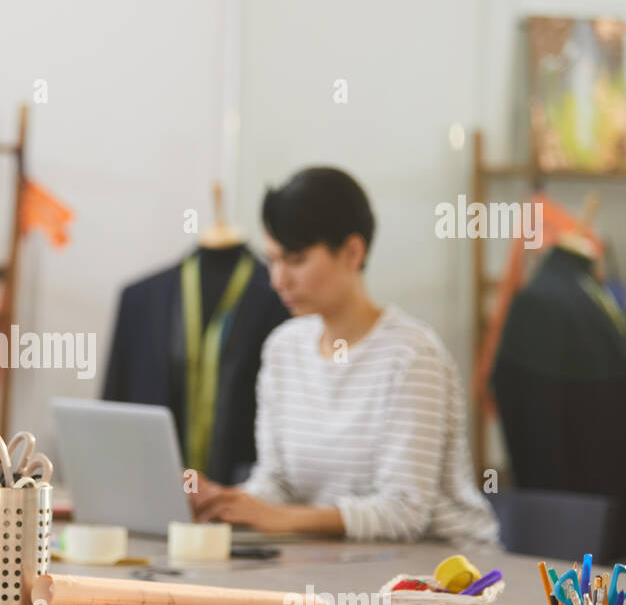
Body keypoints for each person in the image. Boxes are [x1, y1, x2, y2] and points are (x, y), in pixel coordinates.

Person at [190, 167, 499, 544]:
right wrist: (225, 503)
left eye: (296, 260)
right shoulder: (283, 348)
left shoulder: (413, 356)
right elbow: (277, 483)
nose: (278, 280)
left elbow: (404, 512)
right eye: (272, 261)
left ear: (353, 252)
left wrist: (281, 518)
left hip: (442, 565)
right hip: (341, 559)